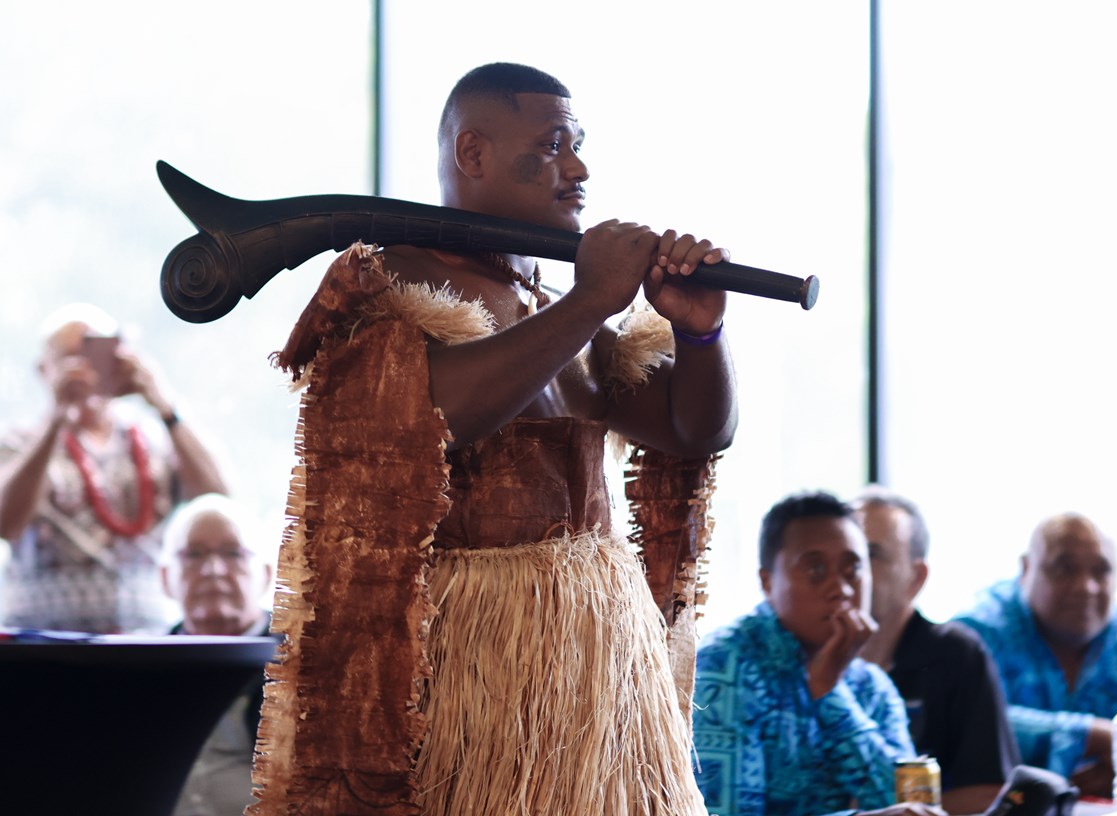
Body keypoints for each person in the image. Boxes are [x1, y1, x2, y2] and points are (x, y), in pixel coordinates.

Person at [249, 62, 738, 815]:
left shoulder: (552, 300)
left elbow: (691, 430)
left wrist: (700, 332)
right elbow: (432, 420)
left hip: (601, 669)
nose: (577, 170)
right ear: (471, 154)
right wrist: (590, 300)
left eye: (576, 146)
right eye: (551, 147)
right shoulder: (391, 285)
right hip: (463, 668)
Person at [692, 490, 938, 816]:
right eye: (816, 569)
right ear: (767, 582)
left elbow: (906, 805)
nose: (842, 589)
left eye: (853, 569)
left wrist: (829, 689)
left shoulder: (870, 686)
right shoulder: (724, 668)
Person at [954, 512, 1117, 798]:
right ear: (1025, 569)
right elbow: (958, 726)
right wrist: (1092, 735)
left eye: (1101, 571)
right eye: (1064, 569)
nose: (1086, 587)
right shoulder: (973, 639)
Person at [0, 304, 228, 633]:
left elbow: (218, 500)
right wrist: (56, 419)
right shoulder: (19, 441)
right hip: (41, 643)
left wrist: (162, 402)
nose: (84, 369)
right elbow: (5, 524)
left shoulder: (154, 438)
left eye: (95, 354)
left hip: (148, 638)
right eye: (70, 357)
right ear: (42, 369)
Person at [854, 486, 1019, 815]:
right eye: (847, 553)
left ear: (915, 577)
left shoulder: (955, 654)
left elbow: (990, 792)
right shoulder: (807, 659)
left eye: (871, 554)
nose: (851, 570)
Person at [160, 493, 273, 816]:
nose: (213, 569)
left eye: (233, 553)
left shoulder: (304, 662)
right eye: (193, 554)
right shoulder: (143, 668)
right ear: (166, 578)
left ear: (265, 573)